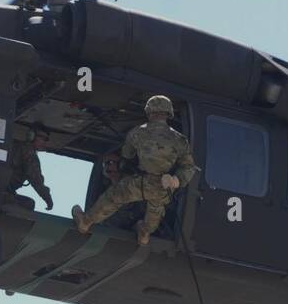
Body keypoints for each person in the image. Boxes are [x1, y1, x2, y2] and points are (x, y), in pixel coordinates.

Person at [72, 95, 197, 245]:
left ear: (149, 112)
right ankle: (144, 233)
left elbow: (127, 154)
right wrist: (176, 180)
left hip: (141, 182)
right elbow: (189, 167)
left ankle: (85, 222)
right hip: (163, 186)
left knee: (114, 196)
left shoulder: (138, 132)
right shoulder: (180, 139)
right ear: (168, 112)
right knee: (155, 209)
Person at [8, 124, 54, 210]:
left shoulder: (15, 145)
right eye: (43, 138)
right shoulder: (29, 153)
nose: (44, 142)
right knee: (29, 204)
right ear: (31, 136)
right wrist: (48, 199)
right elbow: (36, 179)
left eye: (46, 140)